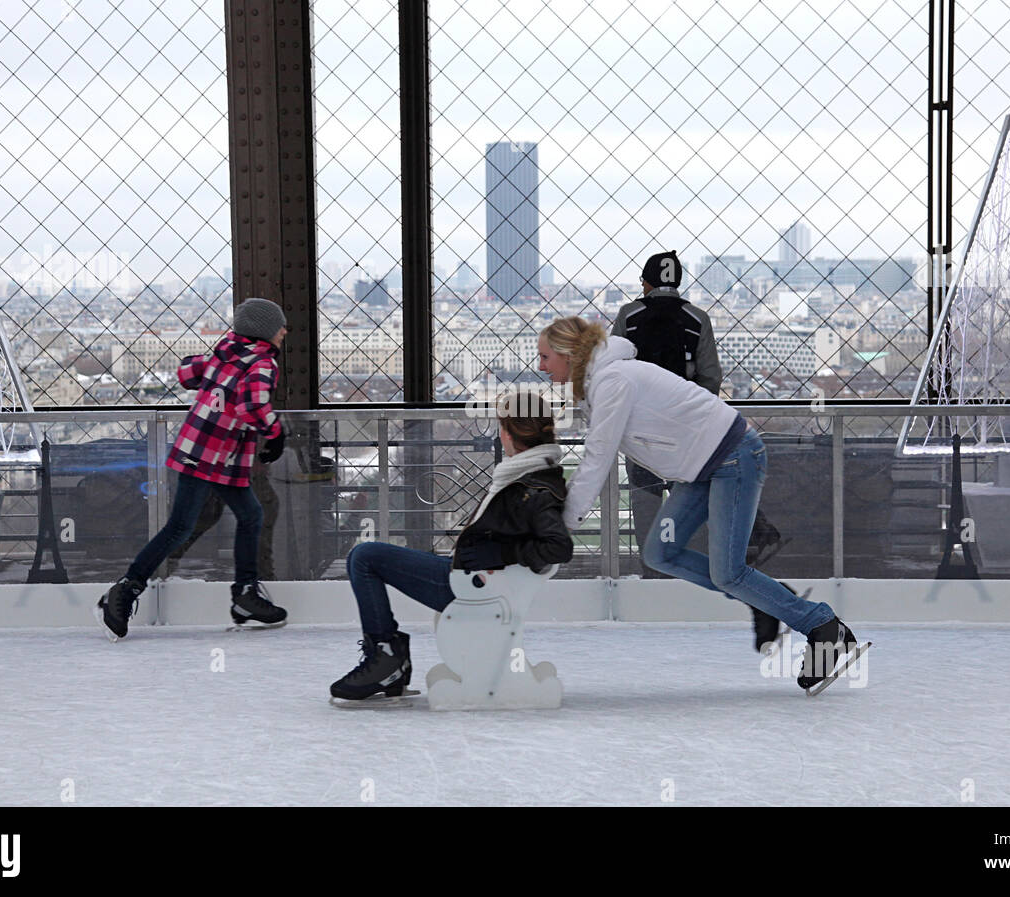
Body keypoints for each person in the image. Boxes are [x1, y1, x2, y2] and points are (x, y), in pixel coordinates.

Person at [537, 316, 860, 691]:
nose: (540, 366)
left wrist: (565, 523)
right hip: (706, 468)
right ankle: (767, 599)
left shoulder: (614, 381)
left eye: (545, 356)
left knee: (730, 573)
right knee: (660, 552)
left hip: (732, 458)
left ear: (567, 354)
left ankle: (822, 626)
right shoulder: (604, 381)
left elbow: (597, 456)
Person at [330, 391, 573, 701]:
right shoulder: (534, 476)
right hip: (477, 578)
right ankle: (389, 658)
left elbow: (559, 547)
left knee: (364, 556)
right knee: (363, 557)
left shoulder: (533, 487)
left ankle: (388, 658)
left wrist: (502, 554)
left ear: (508, 433)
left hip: (474, 588)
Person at [614, 250, 790, 652]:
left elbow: (617, 373)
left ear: (644, 283)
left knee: (650, 519)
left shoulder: (628, 316)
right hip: (694, 439)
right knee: (708, 512)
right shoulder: (697, 319)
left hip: (645, 442)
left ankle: (654, 581)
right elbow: (710, 377)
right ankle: (756, 585)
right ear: (679, 282)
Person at [95, 298, 291, 640]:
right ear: (264, 332)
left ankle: (244, 594)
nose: (285, 331)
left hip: (202, 451)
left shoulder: (226, 351)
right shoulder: (261, 362)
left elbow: (187, 373)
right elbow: (253, 406)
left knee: (238, 517)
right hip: (215, 455)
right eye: (280, 326)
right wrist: (275, 434)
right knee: (187, 526)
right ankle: (125, 590)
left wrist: (215, 373)